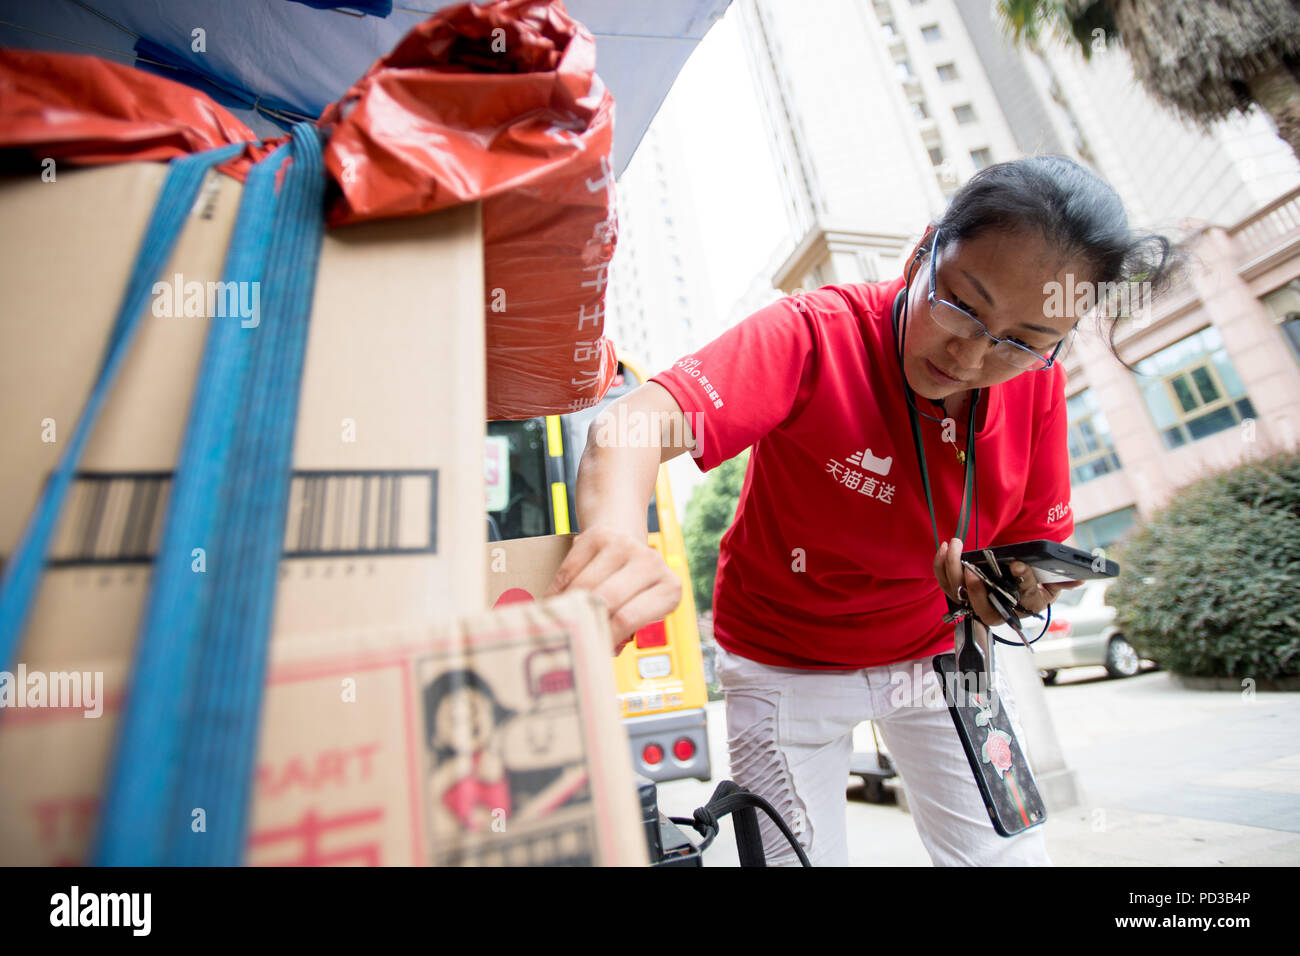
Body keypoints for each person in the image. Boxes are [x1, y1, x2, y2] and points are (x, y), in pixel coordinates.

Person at [545, 155, 1175, 866]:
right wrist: (619, 538)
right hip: (786, 657)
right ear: (922, 252)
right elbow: (628, 426)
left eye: (1022, 343)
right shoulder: (816, 333)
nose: (971, 355)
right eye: (962, 305)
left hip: (944, 656)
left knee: (1011, 859)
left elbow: (1033, 553)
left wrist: (1007, 594)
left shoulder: (1039, 385)